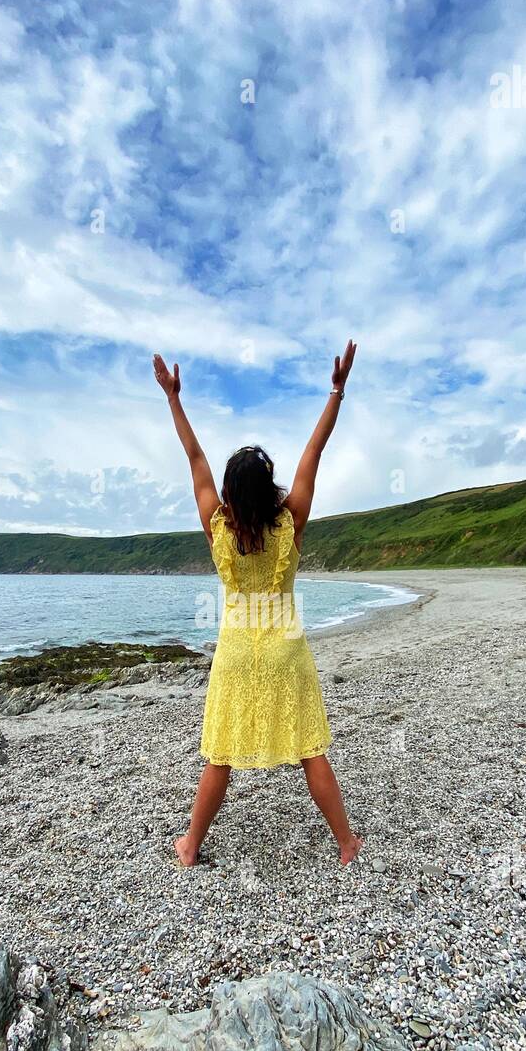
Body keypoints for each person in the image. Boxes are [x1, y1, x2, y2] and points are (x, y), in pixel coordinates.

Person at [152, 341, 364, 867]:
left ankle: (190, 847)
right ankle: (345, 844)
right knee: (311, 749)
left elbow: (194, 457)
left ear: (229, 491)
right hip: (286, 651)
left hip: (237, 653)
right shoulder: (291, 520)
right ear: (269, 486)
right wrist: (336, 391)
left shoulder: (216, 528)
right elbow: (315, 452)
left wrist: (173, 399)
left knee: (220, 756)